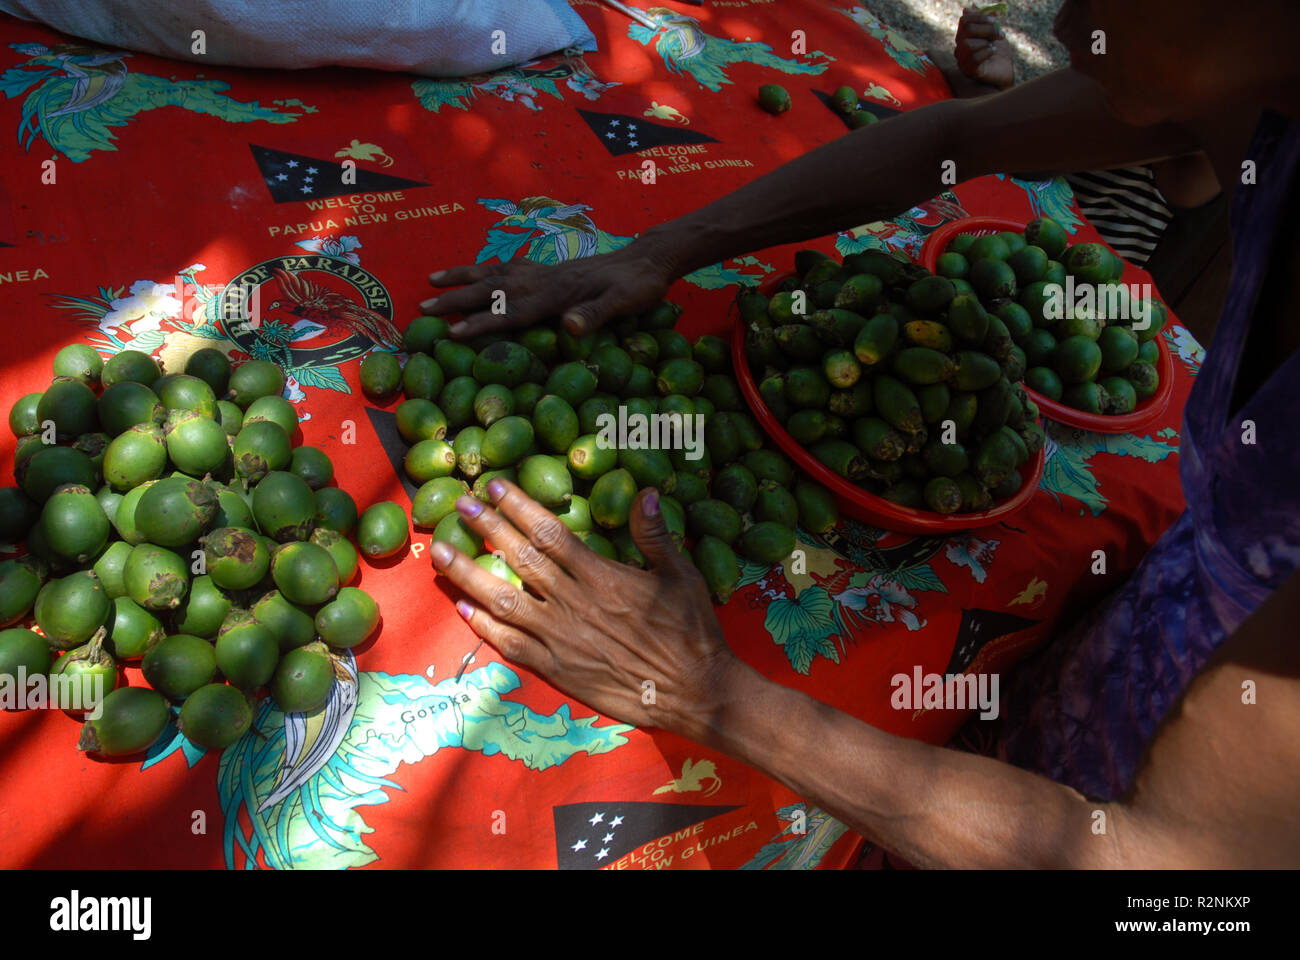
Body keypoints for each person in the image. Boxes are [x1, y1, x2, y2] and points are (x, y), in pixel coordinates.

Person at [419, 0, 1300, 867]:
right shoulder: (1245, 92)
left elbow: (1165, 878)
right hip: (1072, 705)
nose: (1066, 24)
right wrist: (655, 253)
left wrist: (710, 691)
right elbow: (943, 141)